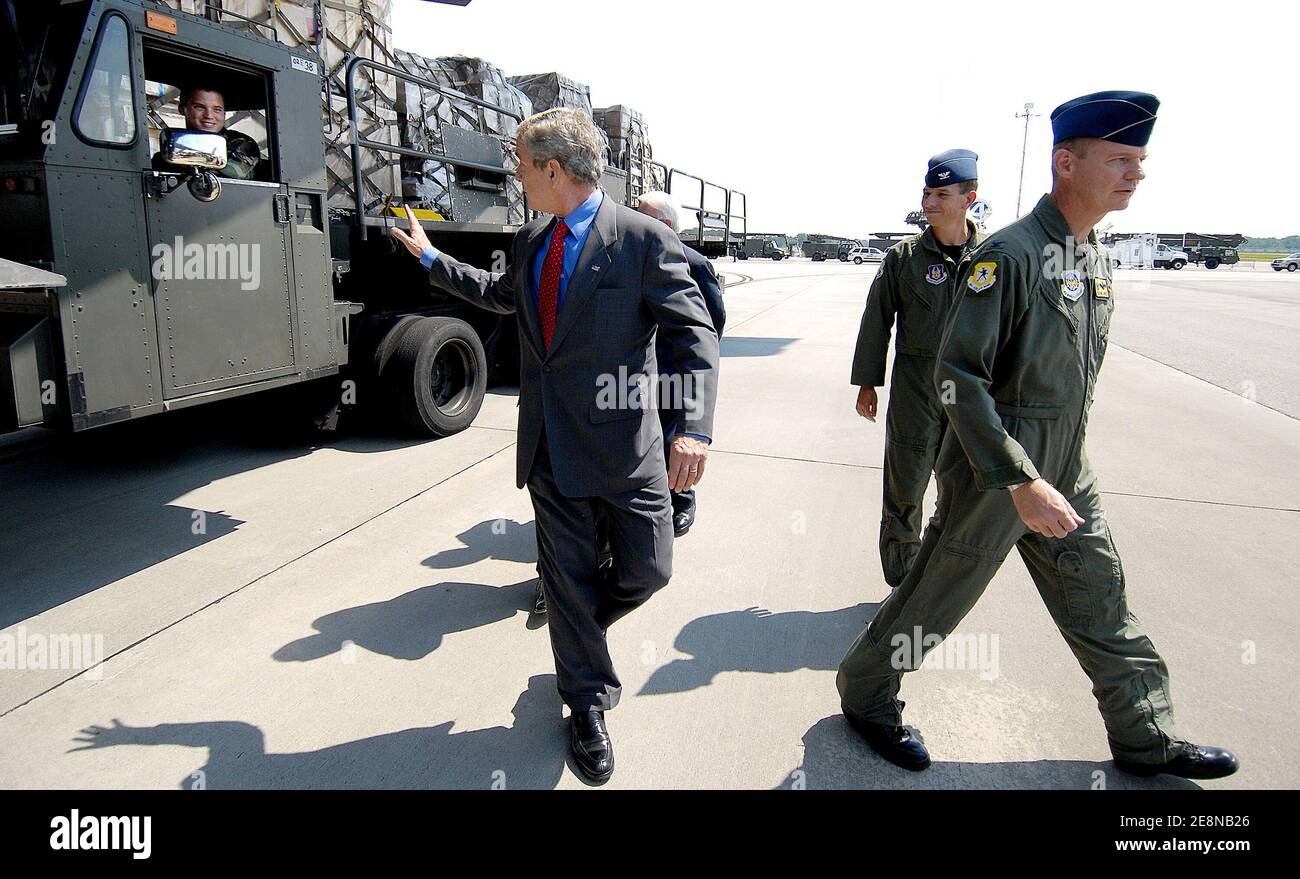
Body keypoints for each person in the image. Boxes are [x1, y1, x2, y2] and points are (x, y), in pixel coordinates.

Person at [835, 91, 1239, 780]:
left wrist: (1056, 468)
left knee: (1100, 593)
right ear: (1065, 163)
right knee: (936, 597)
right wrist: (1018, 479)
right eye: (1118, 159)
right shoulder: (1010, 255)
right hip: (999, 472)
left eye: (1139, 160)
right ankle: (867, 693)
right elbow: (958, 375)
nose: (1135, 173)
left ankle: (1144, 732)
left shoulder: (1092, 258)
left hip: (1066, 465)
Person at [390, 108, 719, 784]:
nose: (515, 173)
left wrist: (693, 427)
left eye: (520, 161)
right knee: (566, 580)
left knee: (649, 569)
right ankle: (587, 704)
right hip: (549, 451)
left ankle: (578, 631)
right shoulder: (530, 240)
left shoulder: (641, 240)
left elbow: (694, 337)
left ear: (552, 169)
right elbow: (497, 295)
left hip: (628, 451)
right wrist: (430, 256)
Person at [851, 149, 986, 588]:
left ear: (970, 198)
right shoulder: (903, 258)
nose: (929, 203)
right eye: (927, 192)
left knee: (965, 497)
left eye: (942, 194)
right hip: (916, 392)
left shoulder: (997, 256)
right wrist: (868, 382)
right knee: (904, 491)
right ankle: (901, 585)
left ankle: (941, 584)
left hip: (976, 395)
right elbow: (877, 319)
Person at [636, 190, 726, 536]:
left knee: (677, 438)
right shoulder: (632, 258)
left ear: (666, 225)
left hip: (674, 372)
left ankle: (682, 499)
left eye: (644, 216)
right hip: (639, 373)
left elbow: (710, 327)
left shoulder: (694, 264)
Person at [153, 85, 261, 180]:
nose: (209, 115)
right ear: (182, 109)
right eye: (199, 107)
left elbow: (239, 172)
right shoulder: (174, 145)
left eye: (217, 109)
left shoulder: (240, 142)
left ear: (224, 114)